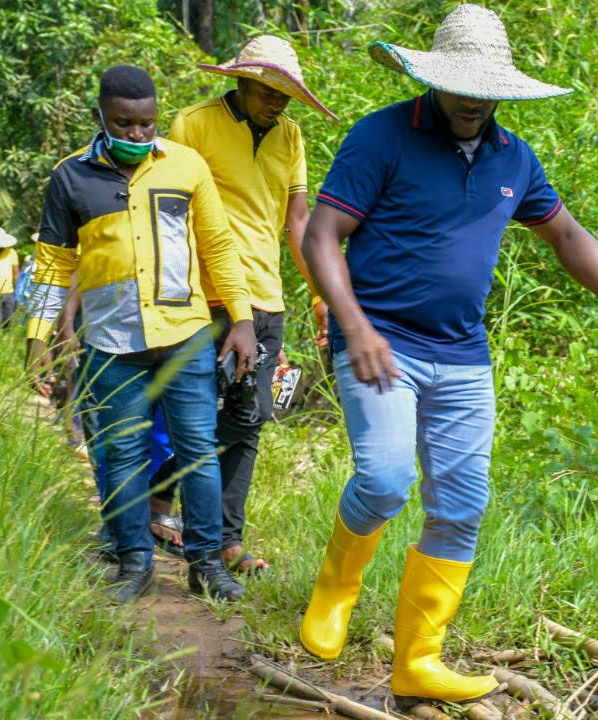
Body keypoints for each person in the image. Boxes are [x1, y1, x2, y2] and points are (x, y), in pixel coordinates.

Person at [298, 4, 598, 706]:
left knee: (462, 504)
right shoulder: (381, 136)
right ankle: (336, 586)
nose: (472, 99)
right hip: (378, 339)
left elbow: (566, 236)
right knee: (382, 478)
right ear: (435, 79)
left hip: (462, 355)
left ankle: (419, 660)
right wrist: (356, 326)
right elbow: (322, 236)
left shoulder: (512, 157)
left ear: (502, 88)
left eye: (484, 87)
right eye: (460, 84)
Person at [30, 65, 257, 604]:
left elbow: (218, 246)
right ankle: (134, 561)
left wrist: (243, 318)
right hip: (112, 344)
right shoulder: (70, 178)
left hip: (185, 337)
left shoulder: (186, 165)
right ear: (99, 118)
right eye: (123, 123)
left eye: (147, 123)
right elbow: (53, 266)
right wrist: (39, 339)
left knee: (197, 449)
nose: (136, 134)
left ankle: (206, 565)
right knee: (122, 452)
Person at [168, 35, 336, 574]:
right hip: (204, 294)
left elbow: (299, 223)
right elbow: (168, 213)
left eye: (286, 93)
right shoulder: (193, 124)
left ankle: (222, 537)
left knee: (250, 415)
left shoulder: (291, 136)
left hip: (266, 297)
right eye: (268, 90)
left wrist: (319, 292)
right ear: (241, 81)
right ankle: (156, 511)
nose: (277, 102)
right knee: (194, 412)